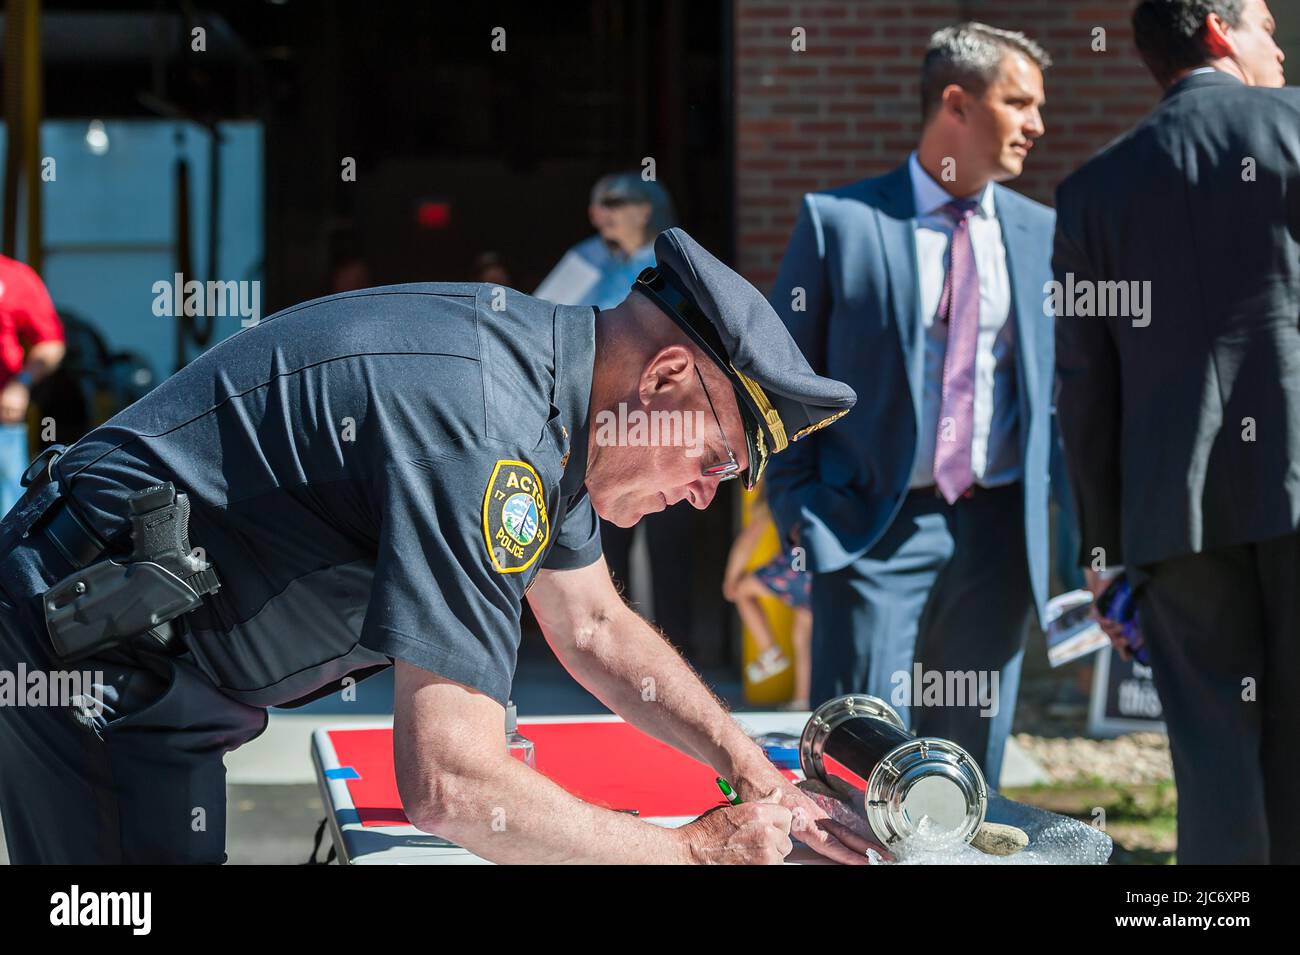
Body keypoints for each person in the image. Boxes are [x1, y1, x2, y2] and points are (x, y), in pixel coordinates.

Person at [0, 228, 869, 865]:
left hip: (158, 665)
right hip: (95, 654)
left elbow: (595, 624)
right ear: (666, 377)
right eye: (717, 456)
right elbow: (452, 784)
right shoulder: (488, 432)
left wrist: (754, 769)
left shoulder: (551, 400)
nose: (707, 490)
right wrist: (695, 852)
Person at [765, 22, 1056, 788]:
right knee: (858, 756)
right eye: (1019, 102)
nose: (1037, 124)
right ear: (956, 102)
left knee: (967, 764)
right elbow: (779, 377)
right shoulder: (841, 223)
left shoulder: (1041, 234)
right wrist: (799, 508)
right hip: (871, 530)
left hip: (998, 531)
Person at [1054, 0, 1292, 863]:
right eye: (1268, 23)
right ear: (1222, 30)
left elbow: (1083, 388)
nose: (1279, 42)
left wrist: (1102, 550)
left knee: (1213, 762)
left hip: (1172, 516)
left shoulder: (1091, 190)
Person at [536, 173, 700, 653]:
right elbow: (535, 323)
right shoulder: (584, 259)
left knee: (671, 539)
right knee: (604, 537)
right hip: (600, 423)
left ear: (645, 209)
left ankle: (678, 652)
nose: (598, 213)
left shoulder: (676, 258)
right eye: (594, 203)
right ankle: (615, 654)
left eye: (611, 202)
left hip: (669, 422)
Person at [721, 490, 812, 707]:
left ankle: (770, 652)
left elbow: (752, 534)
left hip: (797, 567)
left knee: (741, 590)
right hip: (821, 562)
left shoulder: (778, 482)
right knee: (803, 631)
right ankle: (802, 699)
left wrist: (730, 580)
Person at [0, 255, 66, 516]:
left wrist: (21, 385)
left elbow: (51, 343)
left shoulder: (13, 276)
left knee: (9, 514)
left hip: (3, 422)